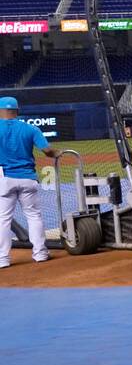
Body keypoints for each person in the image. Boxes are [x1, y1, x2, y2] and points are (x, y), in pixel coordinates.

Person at [0, 96, 60, 268]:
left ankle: (3, 258)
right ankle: (40, 253)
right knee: (34, 216)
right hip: (28, 178)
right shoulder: (30, 128)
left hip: (5, 179)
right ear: (17, 111)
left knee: (3, 219)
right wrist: (58, 153)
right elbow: (48, 151)